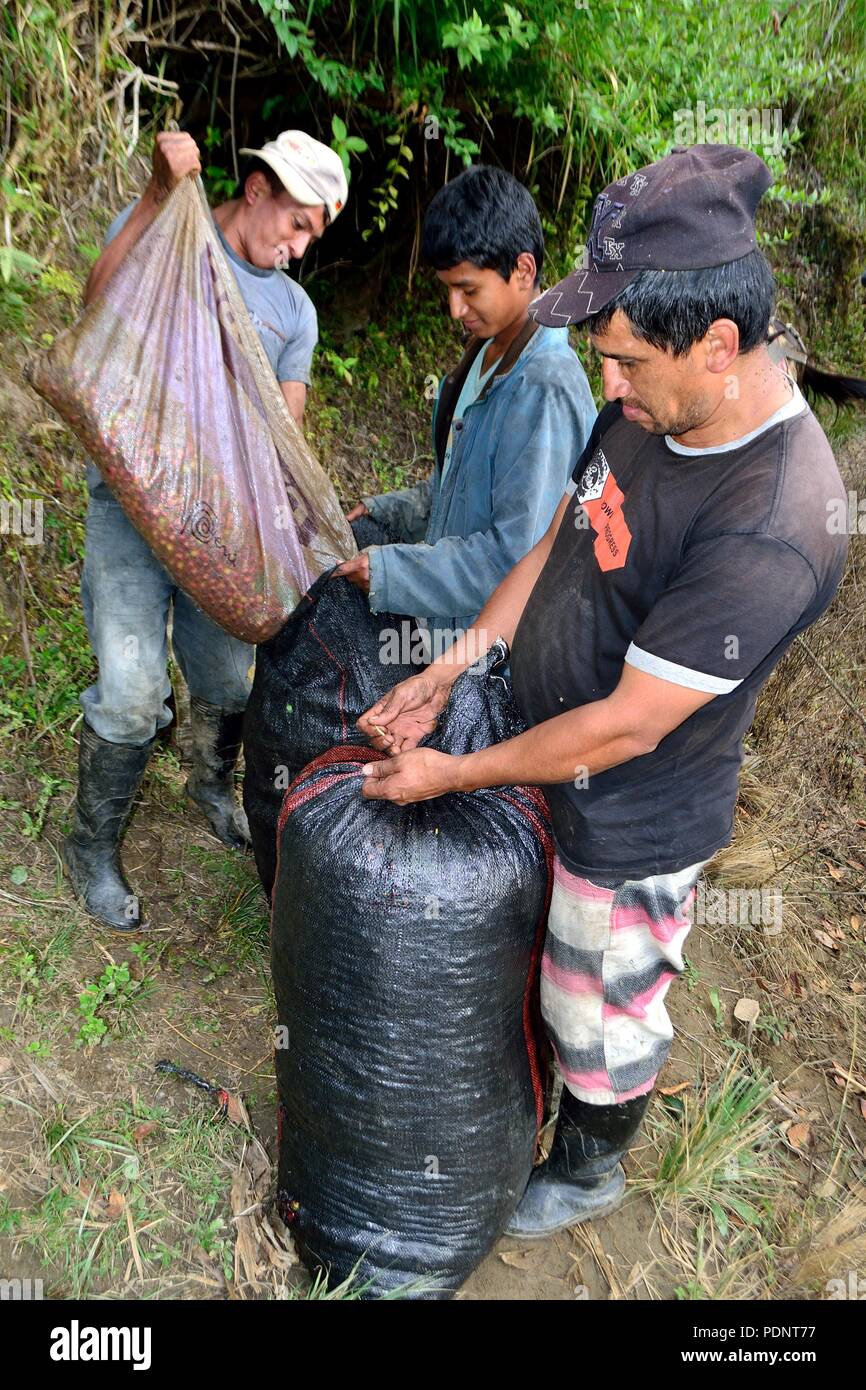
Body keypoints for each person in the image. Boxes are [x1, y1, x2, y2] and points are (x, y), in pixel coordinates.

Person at [354, 145, 849, 1237]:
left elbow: (628, 724)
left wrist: (455, 768)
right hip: (545, 742)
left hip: (631, 809)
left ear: (717, 346)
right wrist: (453, 665)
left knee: (598, 999)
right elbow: (555, 538)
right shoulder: (647, 403)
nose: (605, 387)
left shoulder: (776, 521)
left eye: (622, 362)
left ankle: (590, 1165)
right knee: (538, 952)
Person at [64, 128, 347, 931]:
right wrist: (156, 193)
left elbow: (282, 435)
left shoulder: (294, 312)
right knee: (129, 694)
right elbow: (97, 307)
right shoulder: (171, 229)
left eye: (311, 238)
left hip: (217, 529)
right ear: (258, 188)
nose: (297, 249)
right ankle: (90, 845)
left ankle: (209, 784)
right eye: (297, 224)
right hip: (132, 501)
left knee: (227, 685)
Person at [337, 165, 596, 655]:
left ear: (523, 270)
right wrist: (387, 513)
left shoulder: (543, 388)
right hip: (446, 639)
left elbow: (516, 559)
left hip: (493, 662)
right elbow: (456, 487)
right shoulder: (486, 351)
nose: (454, 309)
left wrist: (392, 572)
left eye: (469, 289)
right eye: (448, 289)